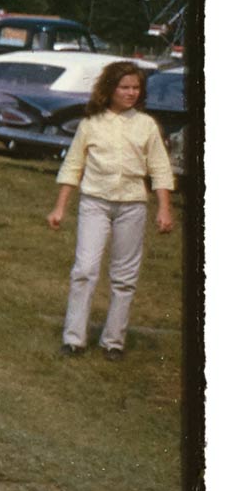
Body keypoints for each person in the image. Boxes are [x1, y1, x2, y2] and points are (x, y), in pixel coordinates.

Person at [46, 60, 175, 360]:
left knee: (124, 277)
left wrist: (164, 209)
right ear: (110, 89)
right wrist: (60, 208)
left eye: (136, 88)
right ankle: (74, 338)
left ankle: (113, 341)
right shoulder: (91, 124)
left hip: (132, 206)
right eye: (124, 87)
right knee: (85, 269)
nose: (131, 93)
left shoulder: (146, 126)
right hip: (95, 203)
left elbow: (160, 169)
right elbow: (73, 166)